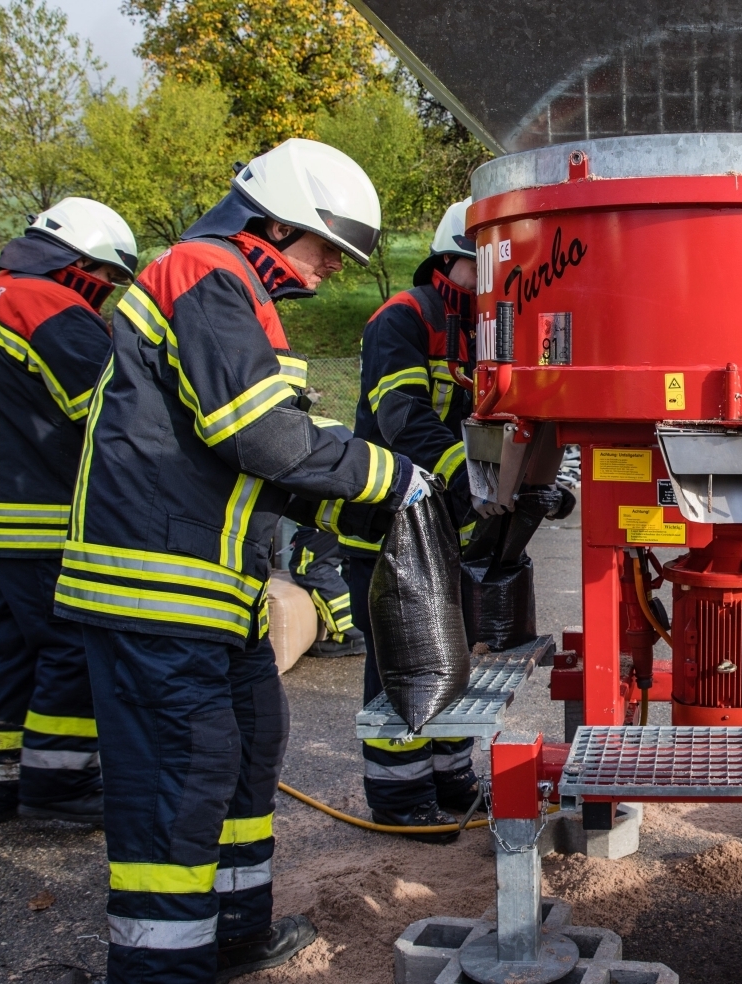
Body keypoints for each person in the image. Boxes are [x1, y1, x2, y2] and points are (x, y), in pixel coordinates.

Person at [55, 138, 429, 983]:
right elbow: (257, 436)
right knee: (180, 784)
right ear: (275, 221)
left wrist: (343, 488)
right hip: (155, 591)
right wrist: (387, 473)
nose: (331, 267)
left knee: (248, 745)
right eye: (326, 246)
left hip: (212, 595)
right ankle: (163, 968)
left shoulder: (234, 290)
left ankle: (235, 933)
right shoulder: (204, 273)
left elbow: (254, 452)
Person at [0, 197, 137, 827]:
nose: (104, 293)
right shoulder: (51, 306)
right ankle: (59, 785)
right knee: (73, 646)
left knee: (3, 653)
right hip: (34, 517)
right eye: (106, 277)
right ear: (83, 262)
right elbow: (110, 411)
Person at [338, 199, 481, 842]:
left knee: (451, 656)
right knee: (400, 657)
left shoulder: (484, 326)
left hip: (446, 522)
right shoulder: (402, 320)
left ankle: (451, 777)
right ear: (453, 258)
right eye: (489, 266)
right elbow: (402, 418)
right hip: (388, 523)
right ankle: (399, 797)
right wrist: (465, 474)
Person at [287, 525, 365, 656]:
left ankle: (351, 634)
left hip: (322, 516)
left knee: (308, 567)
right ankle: (362, 628)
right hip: (347, 515)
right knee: (351, 565)